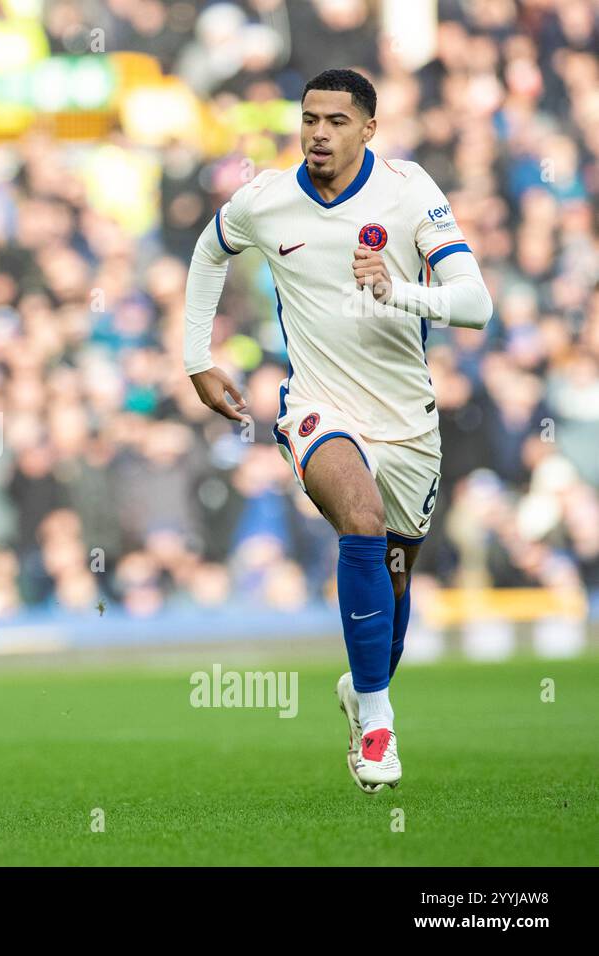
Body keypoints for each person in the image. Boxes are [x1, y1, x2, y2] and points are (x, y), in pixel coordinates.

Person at [183, 69, 492, 791]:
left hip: (407, 422)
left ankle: (364, 690)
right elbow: (208, 251)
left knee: (395, 581)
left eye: (336, 121)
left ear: (368, 130)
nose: (318, 133)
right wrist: (197, 358)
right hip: (318, 409)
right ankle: (379, 727)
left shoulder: (410, 191)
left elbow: (476, 304)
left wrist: (397, 292)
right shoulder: (266, 199)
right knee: (360, 516)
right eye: (309, 118)